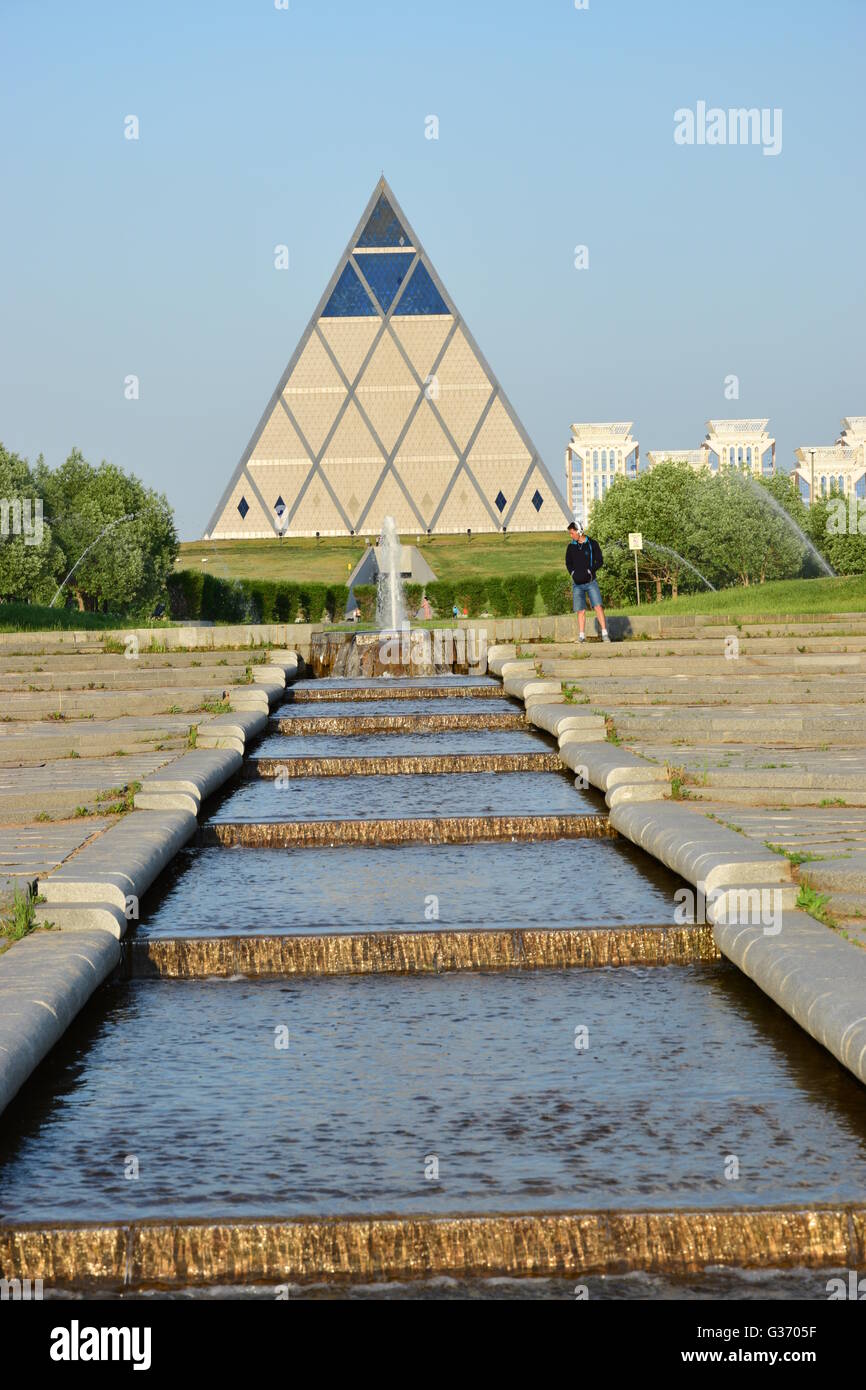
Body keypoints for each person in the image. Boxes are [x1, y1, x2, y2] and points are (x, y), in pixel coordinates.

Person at [565, 519, 610, 642]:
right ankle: (581, 636)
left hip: (591, 583)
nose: (571, 535)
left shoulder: (592, 544)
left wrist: (590, 570)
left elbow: (599, 561)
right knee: (580, 610)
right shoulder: (570, 546)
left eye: (572, 532)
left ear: (579, 531)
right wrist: (573, 573)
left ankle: (605, 634)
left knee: (598, 607)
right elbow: (568, 563)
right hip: (577, 585)